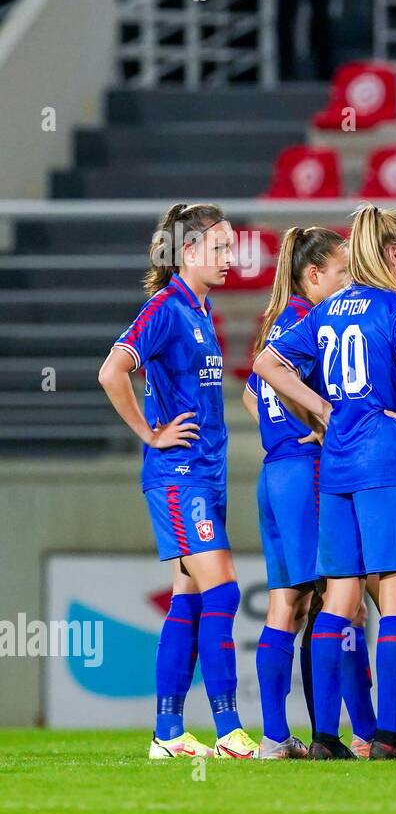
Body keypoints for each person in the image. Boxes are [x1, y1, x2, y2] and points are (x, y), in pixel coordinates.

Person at [253, 203, 396, 760]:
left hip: (334, 469)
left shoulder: (328, 311)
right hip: (384, 460)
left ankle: (326, 737)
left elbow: (265, 364)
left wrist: (325, 412)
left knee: (341, 598)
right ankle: (391, 734)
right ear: (390, 252)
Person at [98, 202, 260, 760]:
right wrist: (149, 433)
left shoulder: (200, 310)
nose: (229, 258)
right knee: (225, 587)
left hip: (205, 475)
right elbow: (112, 369)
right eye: (219, 248)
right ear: (187, 253)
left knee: (189, 599)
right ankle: (231, 729)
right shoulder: (166, 308)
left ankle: (167, 734)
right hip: (179, 476)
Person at [242, 226, 362, 758]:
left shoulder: (277, 323)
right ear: (313, 276)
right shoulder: (313, 323)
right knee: (343, 602)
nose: (349, 284)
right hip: (306, 472)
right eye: (342, 274)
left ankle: (274, 736)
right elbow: (279, 383)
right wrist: (317, 418)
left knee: (285, 604)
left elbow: (251, 392)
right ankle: (349, 733)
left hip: (275, 474)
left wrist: (281, 432)